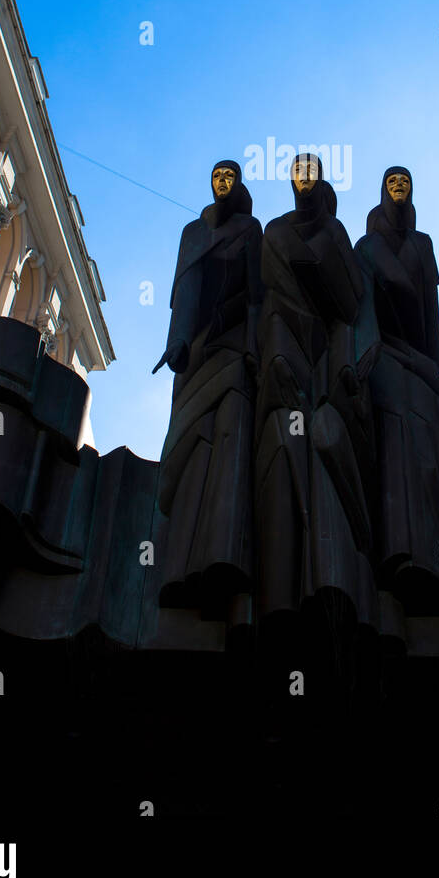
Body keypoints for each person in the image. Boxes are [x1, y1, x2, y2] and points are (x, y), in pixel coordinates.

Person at [254, 153, 378, 633]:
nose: (303, 179)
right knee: (286, 446)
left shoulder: (337, 232)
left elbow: (351, 303)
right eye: (296, 172)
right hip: (286, 354)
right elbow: (270, 301)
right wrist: (278, 355)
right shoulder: (274, 232)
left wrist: (347, 364)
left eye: (311, 172)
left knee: (328, 445)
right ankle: (283, 589)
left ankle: (336, 579)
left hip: (330, 359)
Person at [153, 159, 262, 614]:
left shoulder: (251, 229)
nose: (222, 182)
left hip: (236, 348)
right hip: (196, 356)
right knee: (193, 443)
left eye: (229, 177)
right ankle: (179, 567)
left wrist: (254, 349)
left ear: (239, 186)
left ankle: (224, 555)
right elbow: (185, 292)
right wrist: (177, 342)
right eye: (216, 176)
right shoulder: (192, 234)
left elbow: (259, 294)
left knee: (231, 434)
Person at [355, 166, 439, 616]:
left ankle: (436, 560)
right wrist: (368, 351)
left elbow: (432, 309)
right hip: (384, 360)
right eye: (393, 182)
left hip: (421, 366)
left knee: (428, 457)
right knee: (393, 451)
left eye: (406, 183)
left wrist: (435, 367)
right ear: (382, 192)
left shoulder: (423, 244)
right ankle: (395, 554)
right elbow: (361, 309)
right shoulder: (367, 248)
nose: (400, 188)